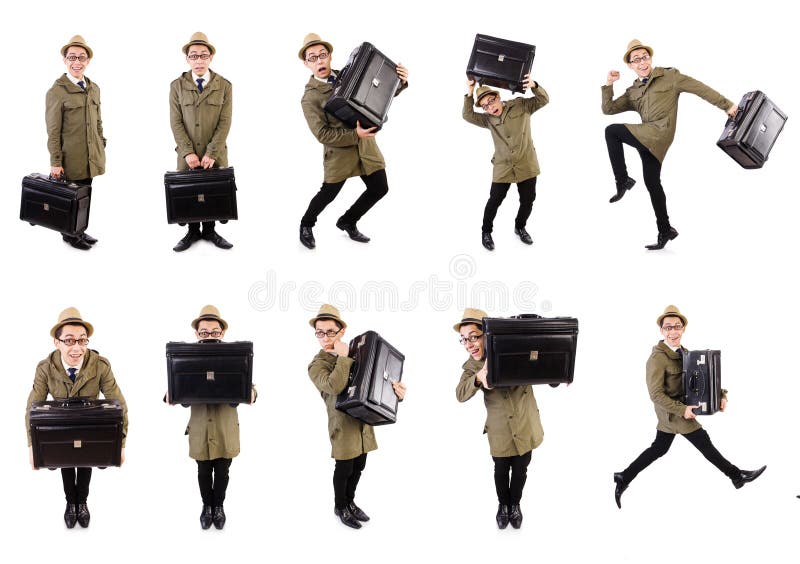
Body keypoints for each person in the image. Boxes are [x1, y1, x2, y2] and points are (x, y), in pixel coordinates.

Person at [613, 305, 766, 508]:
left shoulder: (685, 353)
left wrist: (721, 395)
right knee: (704, 442)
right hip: (674, 414)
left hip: (681, 411)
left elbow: (702, 378)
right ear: (661, 330)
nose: (673, 331)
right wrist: (682, 410)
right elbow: (655, 394)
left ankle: (624, 476)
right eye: (668, 327)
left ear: (683, 328)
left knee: (659, 448)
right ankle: (737, 476)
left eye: (677, 326)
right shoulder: (657, 358)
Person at [601, 39, 738, 250]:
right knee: (652, 182)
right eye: (636, 59)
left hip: (660, 133)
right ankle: (665, 230)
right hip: (647, 138)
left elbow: (701, 89)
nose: (642, 62)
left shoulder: (670, 76)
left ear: (650, 58)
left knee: (612, 131)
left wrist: (727, 105)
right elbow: (608, 109)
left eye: (645, 57)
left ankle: (623, 180)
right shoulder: (633, 91)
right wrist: (609, 84)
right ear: (630, 65)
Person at [298, 33, 408, 249]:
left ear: (330, 56)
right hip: (339, 155)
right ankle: (306, 225)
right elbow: (322, 134)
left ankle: (348, 221)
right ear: (306, 63)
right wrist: (354, 134)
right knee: (328, 194)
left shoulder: (349, 74)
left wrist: (400, 82)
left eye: (322, 55)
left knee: (380, 188)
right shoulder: (309, 97)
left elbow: (375, 96)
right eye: (313, 58)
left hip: (366, 148)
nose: (319, 61)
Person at [25, 307, 128, 528]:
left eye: (82, 340)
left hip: (89, 426)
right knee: (65, 458)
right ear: (57, 342)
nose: (77, 348)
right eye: (69, 340)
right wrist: (33, 447)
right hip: (61, 428)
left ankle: (82, 502)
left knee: (85, 460)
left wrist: (120, 445)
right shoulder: (45, 368)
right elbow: (32, 409)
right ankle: (70, 503)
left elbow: (120, 406)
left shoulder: (100, 365)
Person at [307, 304, 406, 528]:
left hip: (363, 420)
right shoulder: (316, 365)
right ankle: (340, 506)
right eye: (320, 333)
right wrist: (343, 358)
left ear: (341, 331)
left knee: (359, 465)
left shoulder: (358, 353)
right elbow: (334, 386)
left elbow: (373, 384)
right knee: (344, 469)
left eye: (330, 332)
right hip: (342, 425)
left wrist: (396, 394)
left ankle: (350, 502)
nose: (325, 338)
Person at [166, 305, 256, 530]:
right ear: (197, 334)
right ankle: (207, 506)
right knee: (203, 470)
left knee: (223, 471)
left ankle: (219, 507)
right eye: (204, 332)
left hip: (225, 427)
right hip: (200, 427)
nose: (209, 336)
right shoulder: (187, 357)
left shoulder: (234, 356)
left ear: (222, 332)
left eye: (214, 332)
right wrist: (172, 393)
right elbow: (179, 384)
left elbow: (247, 382)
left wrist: (252, 392)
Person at [454, 308, 543, 529]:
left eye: (473, 337)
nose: (468, 344)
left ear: (488, 334)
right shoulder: (471, 367)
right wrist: (478, 378)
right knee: (501, 470)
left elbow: (541, 364)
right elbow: (460, 394)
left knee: (521, 469)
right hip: (500, 429)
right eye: (464, 339)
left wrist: (559, 375)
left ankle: (515, 505)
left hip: (525, 423)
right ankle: (503, 505)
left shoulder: (516, 351)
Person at [463, 76, 549, 251]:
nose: (490, 107)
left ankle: (520, 227)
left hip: (526, 162)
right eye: (485, 106)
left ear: (498, 96)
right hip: (503, 166)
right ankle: (486, 232)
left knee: (528, 200)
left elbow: (543, 99)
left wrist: (534, 85)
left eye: (491, 101)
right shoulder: (487, 119)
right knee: (494, 200)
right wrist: (470, 92)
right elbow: (467, 115)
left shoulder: (521, 105)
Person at [169, 32, 234, 252]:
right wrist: (187, 152)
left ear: (211, 57)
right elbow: (175, 121)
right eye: (194, 56)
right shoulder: (176, 86)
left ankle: (210, 231)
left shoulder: (224, 85)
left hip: (215, 152)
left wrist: (212, 152)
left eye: (203, 55)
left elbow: (225, 121)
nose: (199, 60)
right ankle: (192, 232)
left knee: (212, 192)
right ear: (187, 59)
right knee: (190, 192)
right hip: (187, 153)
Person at [46, 35, 106, 251]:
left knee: (85, 195)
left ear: (88, 60)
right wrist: (55, 162)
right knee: (70, 198)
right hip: (70, 158)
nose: (77, 62)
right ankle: (69, 234)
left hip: (91, 156)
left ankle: (79, 230)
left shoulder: (94, 88)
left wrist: (101, 143)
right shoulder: (57, 91)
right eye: (72, 57)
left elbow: (98, 121)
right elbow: (53, 131)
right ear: (65, 60)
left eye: (81, 57)